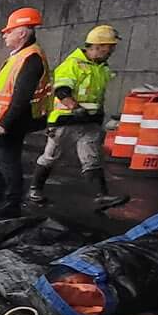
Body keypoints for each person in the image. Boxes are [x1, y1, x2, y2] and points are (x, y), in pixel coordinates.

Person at [32, 24, 128, 209]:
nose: (112, 51)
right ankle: (35, 189)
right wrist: (75, 108)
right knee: (51, 156)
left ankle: (101, 196)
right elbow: (61, 90)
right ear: (97, 46)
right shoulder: (72, 64)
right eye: (109, 47)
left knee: (91, 158)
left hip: (89, 121)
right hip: (66, 120)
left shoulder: (101, 67)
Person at [0, 7, 49, 215]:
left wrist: (5, 123)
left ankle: (11, 204)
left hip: (11, 122)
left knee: (7, 163)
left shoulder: (31, 57)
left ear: (22, 32)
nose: (4, 34)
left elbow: (22, 95)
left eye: (9, 31)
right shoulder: (18, 56)